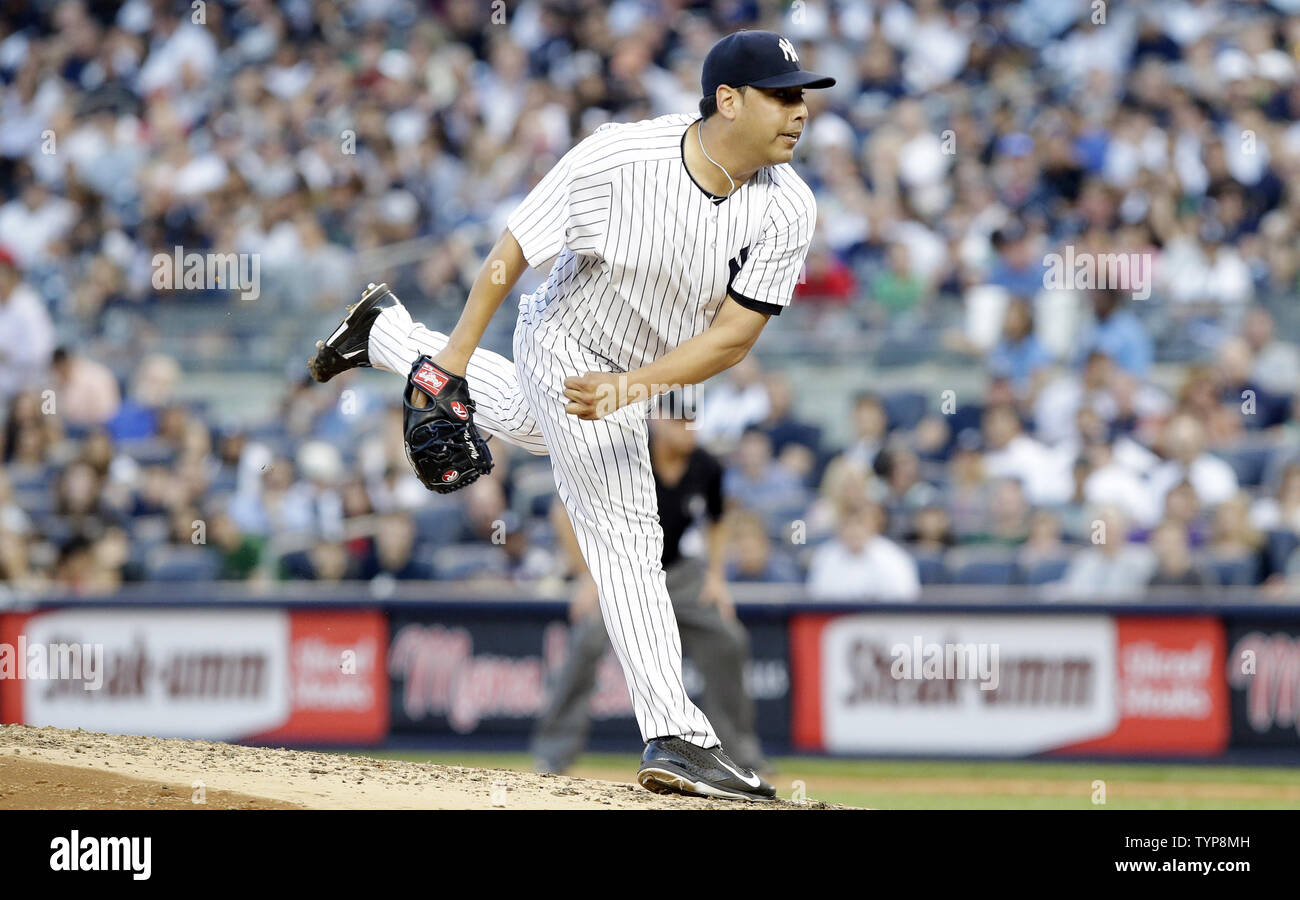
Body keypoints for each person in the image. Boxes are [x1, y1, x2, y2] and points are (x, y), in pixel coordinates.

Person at [307, 30, 834, 801]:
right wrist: (455, 356)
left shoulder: (789, 206)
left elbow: (732, 338)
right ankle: (678, 736)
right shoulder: (620, 159)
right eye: (783, 95)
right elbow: (510, 252)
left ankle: (383, 332)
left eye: (804, 97)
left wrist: (632, 387)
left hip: (633, 373)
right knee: (626, 529)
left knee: (533, 422)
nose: (800, 112)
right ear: (728, 100)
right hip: (564, 336)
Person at [531, 404, 765, 776]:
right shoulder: (627, 456)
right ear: (656, 419)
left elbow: (719, 519)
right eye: (679, 419)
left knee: (728, 639)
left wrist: (717, 577)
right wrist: (589, 576)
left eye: (692, 419)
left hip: (677, 571)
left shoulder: (705, 465)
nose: (688, 427)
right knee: (586, 642)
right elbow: (563, 512)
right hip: (620, 570)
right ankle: (553, 753)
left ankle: (742, 755)